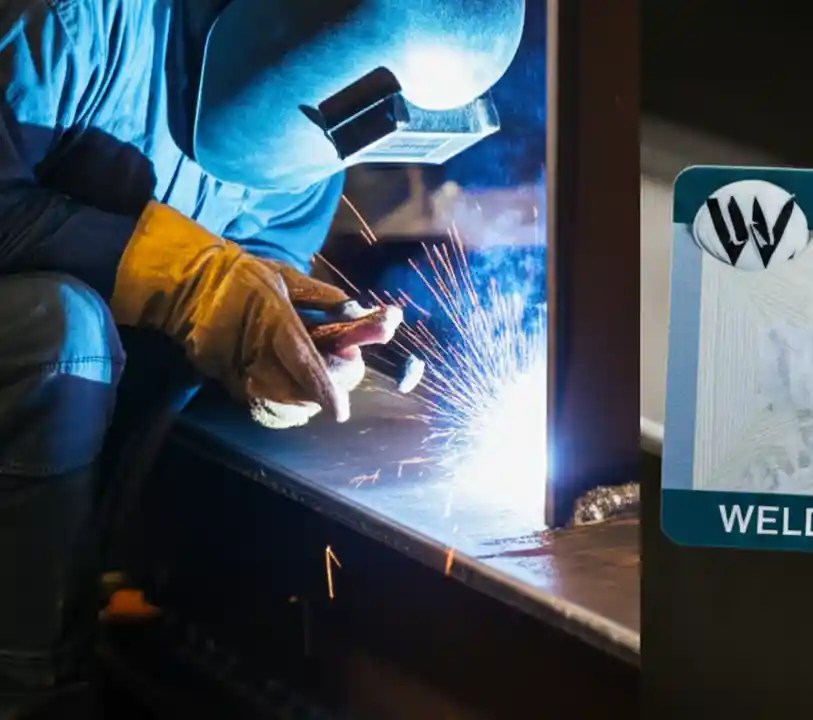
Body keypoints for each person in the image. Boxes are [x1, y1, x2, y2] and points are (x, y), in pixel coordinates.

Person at [0, 0, 526, 716]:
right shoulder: (76, 21)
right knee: (63, 333)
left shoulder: (315, 121)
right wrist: (182, 277)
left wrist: (290, 338)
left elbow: (264, 260)